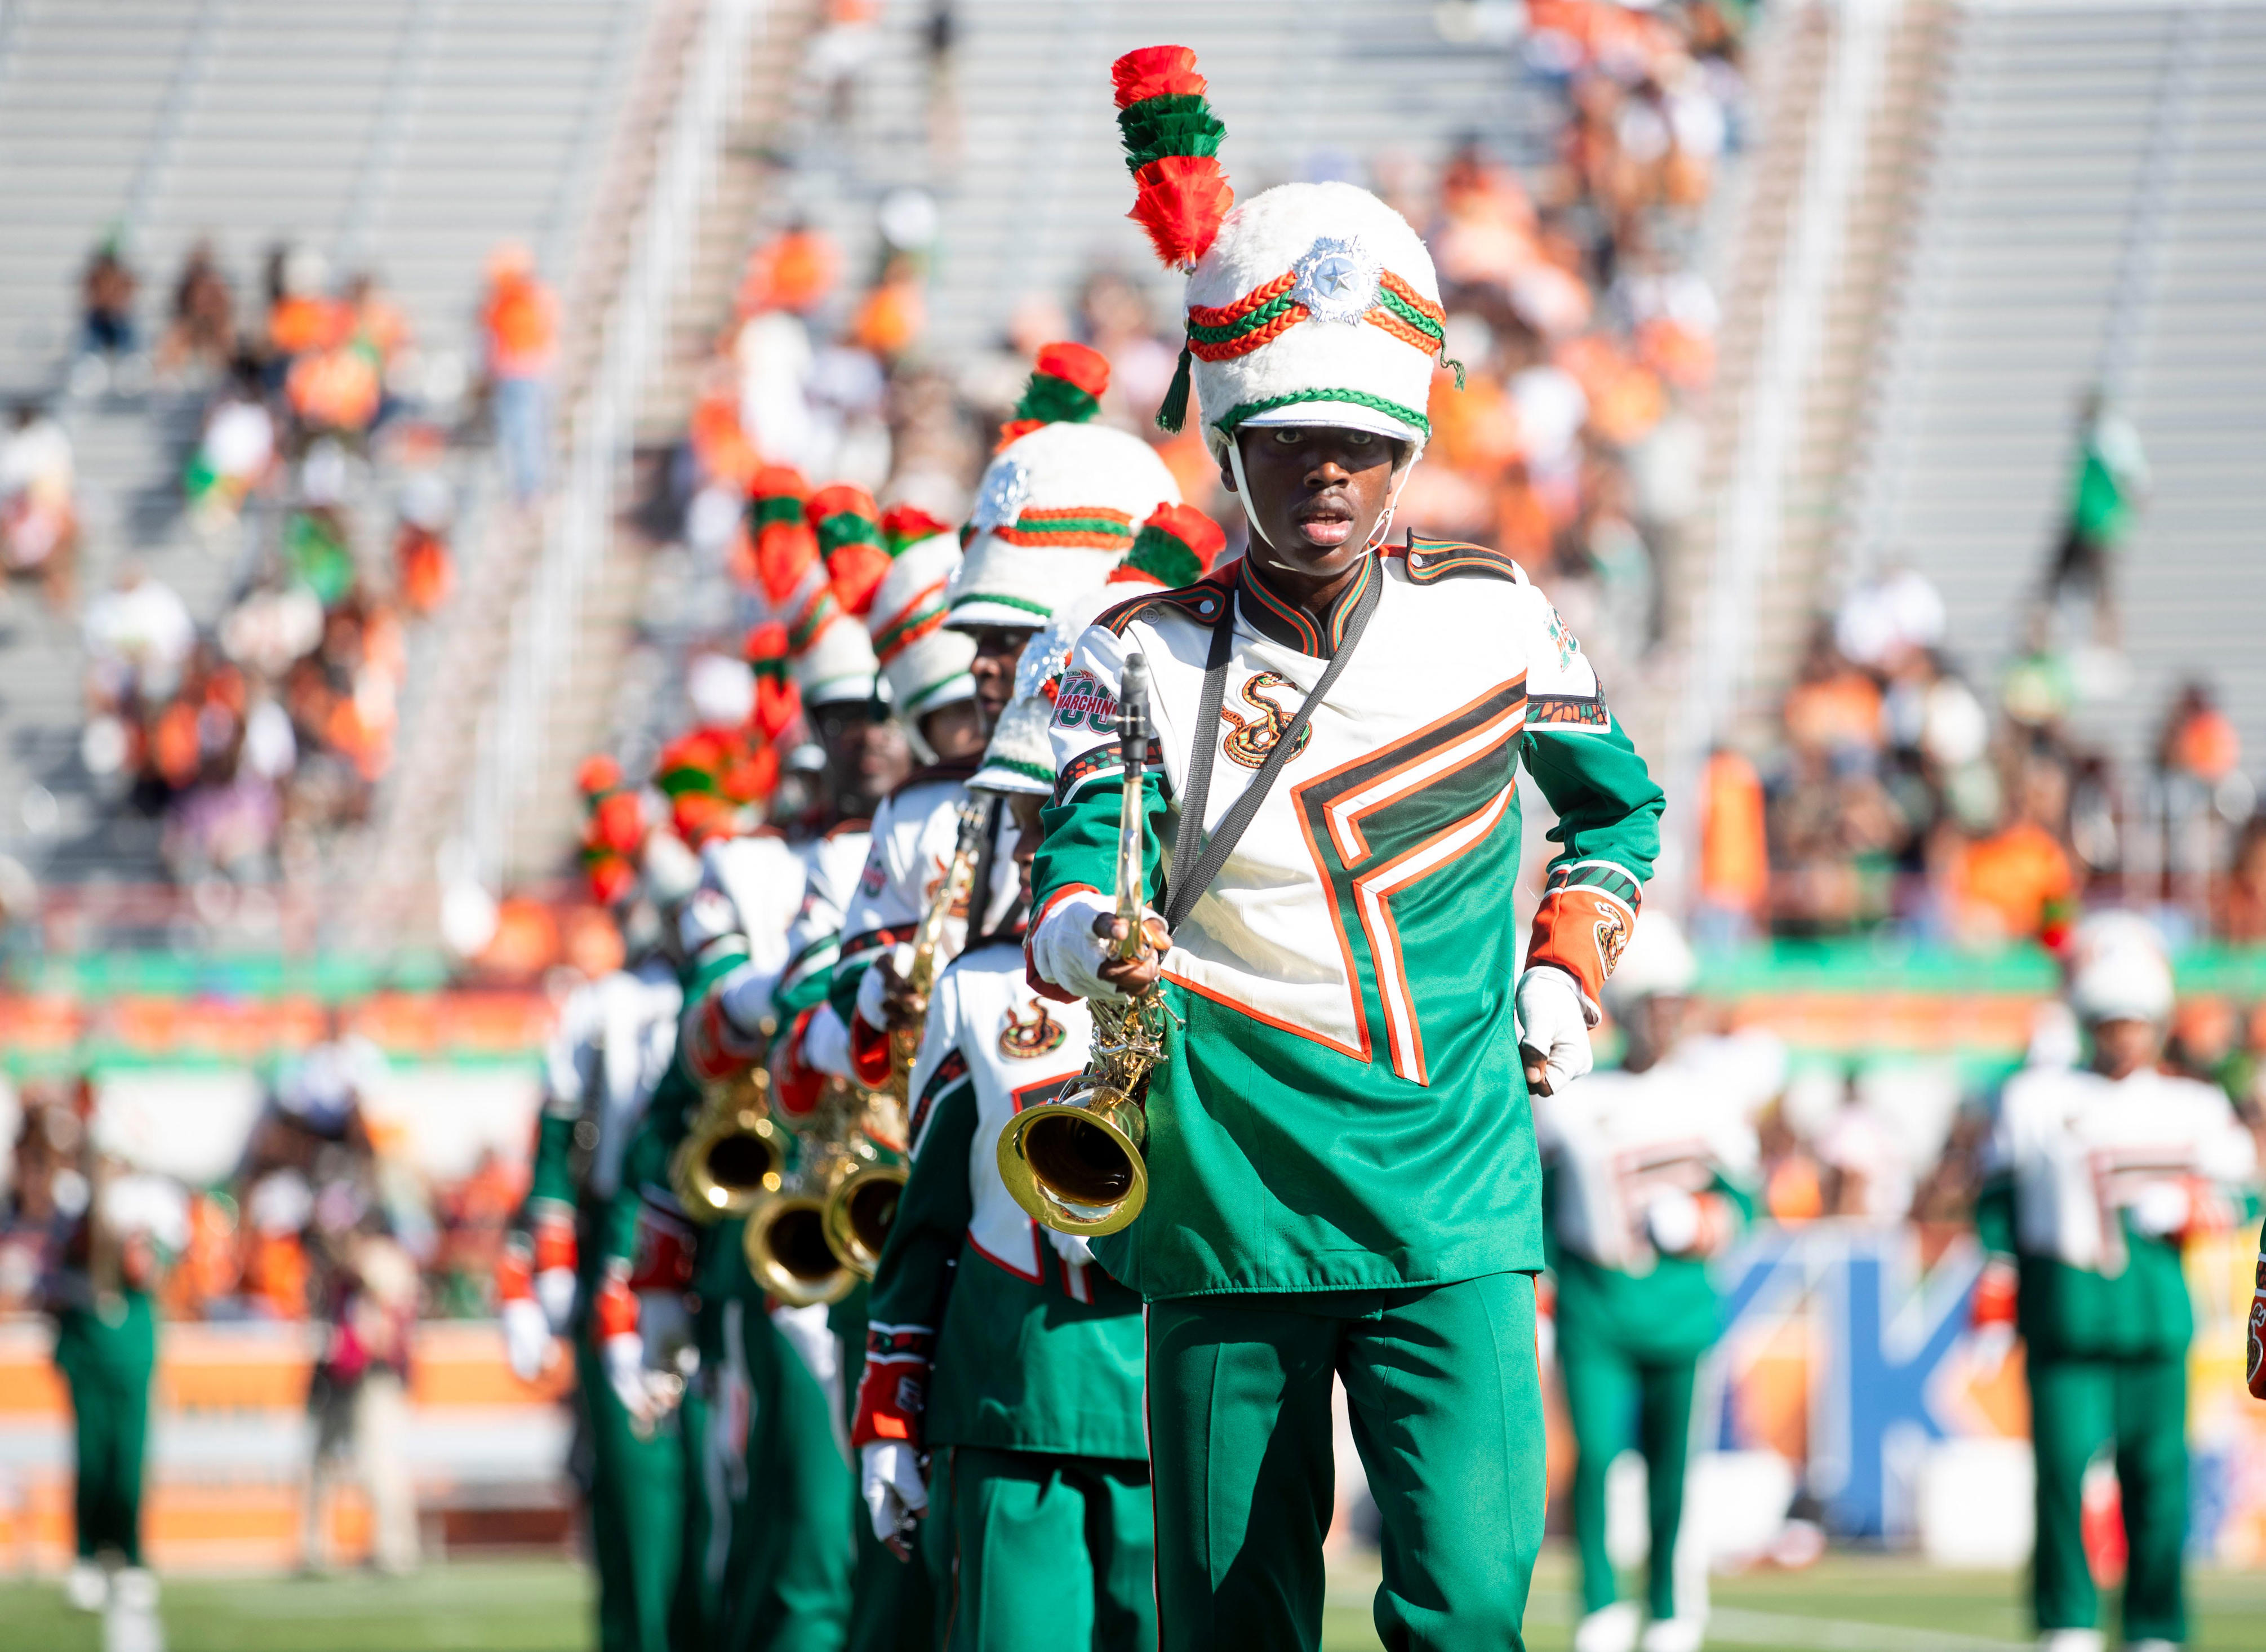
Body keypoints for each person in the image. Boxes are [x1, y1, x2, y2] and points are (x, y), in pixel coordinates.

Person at [1024, 47, 1664, 1650]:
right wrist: (1075, 929)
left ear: (1404, 446)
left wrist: (1565, 965)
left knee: (1463, 1610)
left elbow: (1617, 808)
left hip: (1449, 1196)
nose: (1327, 473)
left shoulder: (1493, 616)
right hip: (1224, 1193)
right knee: (1232, 1623)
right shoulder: (1135, 650)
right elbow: (1084, 843)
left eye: (1359, 443)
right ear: (1228, 441)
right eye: (1291, 439)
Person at [1972, 940, 2258, 1652]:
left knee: (2159, 1486)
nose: (2122, 1035)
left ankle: (2154, 1627)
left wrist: (2190, 1209)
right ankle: (2065, 1620)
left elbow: (2244, 1192)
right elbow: (1996, 1204)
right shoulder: (2036, 1097)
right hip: (2065, 1316)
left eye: (2134, 1020)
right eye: (2109, 1020)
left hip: (2154, 1321)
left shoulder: (2191, 1105)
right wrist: (1999, 1287)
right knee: (2061, 1480)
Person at [1534, 917, 1763, 1652]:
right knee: (1597, 1460)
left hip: (1681, 1308)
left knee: (1674, 1470)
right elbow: (1539, 1203)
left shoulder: (1709, 1099)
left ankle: (1669, 1607)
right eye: (1649, 1006)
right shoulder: (1573, 1098)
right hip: (1596, 1306)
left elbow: (1742, 1204)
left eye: (1672, 1006)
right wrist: (1538, 1294)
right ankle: (1600, 1604)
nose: (1661, 1022)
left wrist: (1700, 1220)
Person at [43, 1077, 185, 1623]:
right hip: (88, 1338)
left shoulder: (153, 1200)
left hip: (129, 1338)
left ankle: (129, 1554)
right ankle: (85, 1553)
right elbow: (55, 1267)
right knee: (89, 1455)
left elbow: (153, 1267)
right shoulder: (71, 1198)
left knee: (129, 1458)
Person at [481, 243, 559, 503]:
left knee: (527, 430)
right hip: (515, 373)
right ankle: (526, 487)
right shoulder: (504, 301)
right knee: (520, 431)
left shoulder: (529, 299)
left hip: (527, 373)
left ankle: (530, 487)